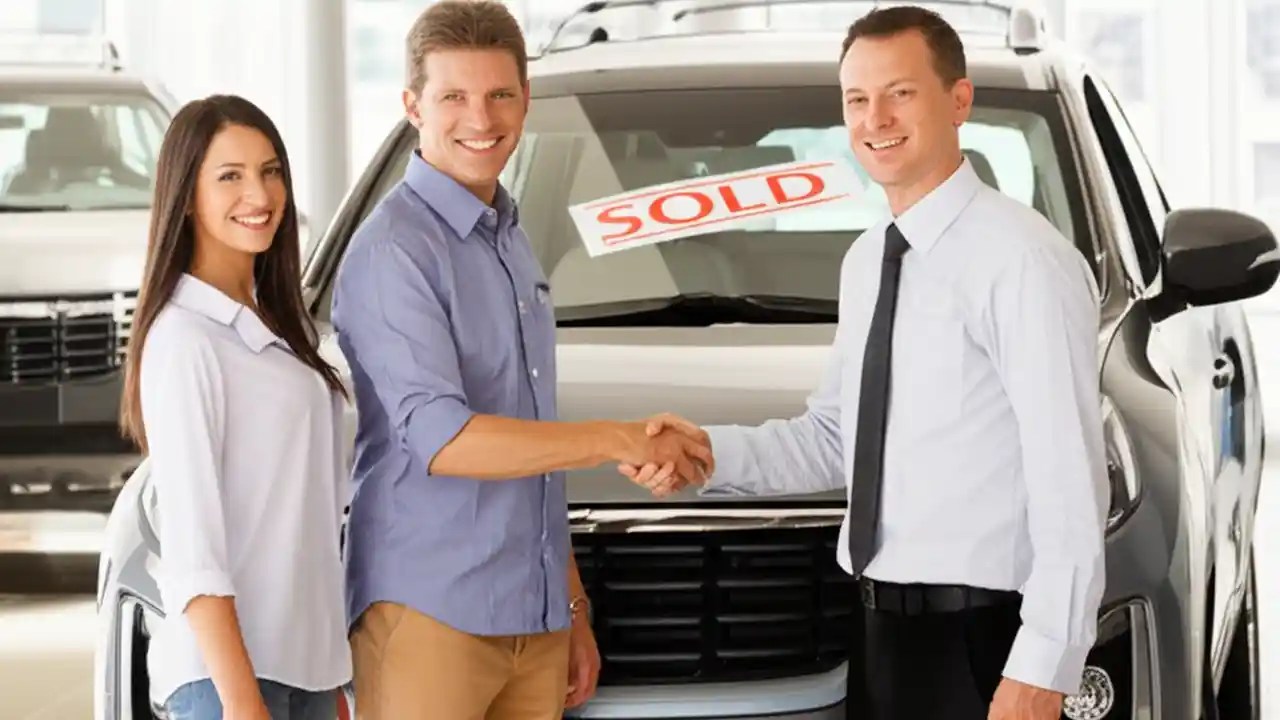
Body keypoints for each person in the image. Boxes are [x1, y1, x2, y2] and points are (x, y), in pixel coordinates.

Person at [622, 6, 1109, 720]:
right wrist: (703, 453)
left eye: (900, 92)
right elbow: (835, 441)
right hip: (882, 635)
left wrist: (1043, 666)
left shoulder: (1024, 262)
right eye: (857, 98)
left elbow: (1070, 479)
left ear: (959, 100)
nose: (875, 117)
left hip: (986, 641)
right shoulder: (868, 260)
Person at [329, 3, 712, 719]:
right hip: (430, 615)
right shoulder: (394, 253)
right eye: (454, 97)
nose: (481, 117)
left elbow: (529, 440)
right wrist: (618, 438)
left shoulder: (507, 237)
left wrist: (567, 602)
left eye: (500, 94)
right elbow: (442, 437)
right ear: (413, 105)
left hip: (531, 623)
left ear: (525, 102)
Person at [119, 95, 352, 720]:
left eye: (270, 170)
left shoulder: (277, 328)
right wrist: (243, 703)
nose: (260, 193)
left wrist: (330, 677)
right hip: (227, 684)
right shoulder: (185, 339)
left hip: (304, 672)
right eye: (230, 176)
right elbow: (194, 550)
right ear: (187, 197)